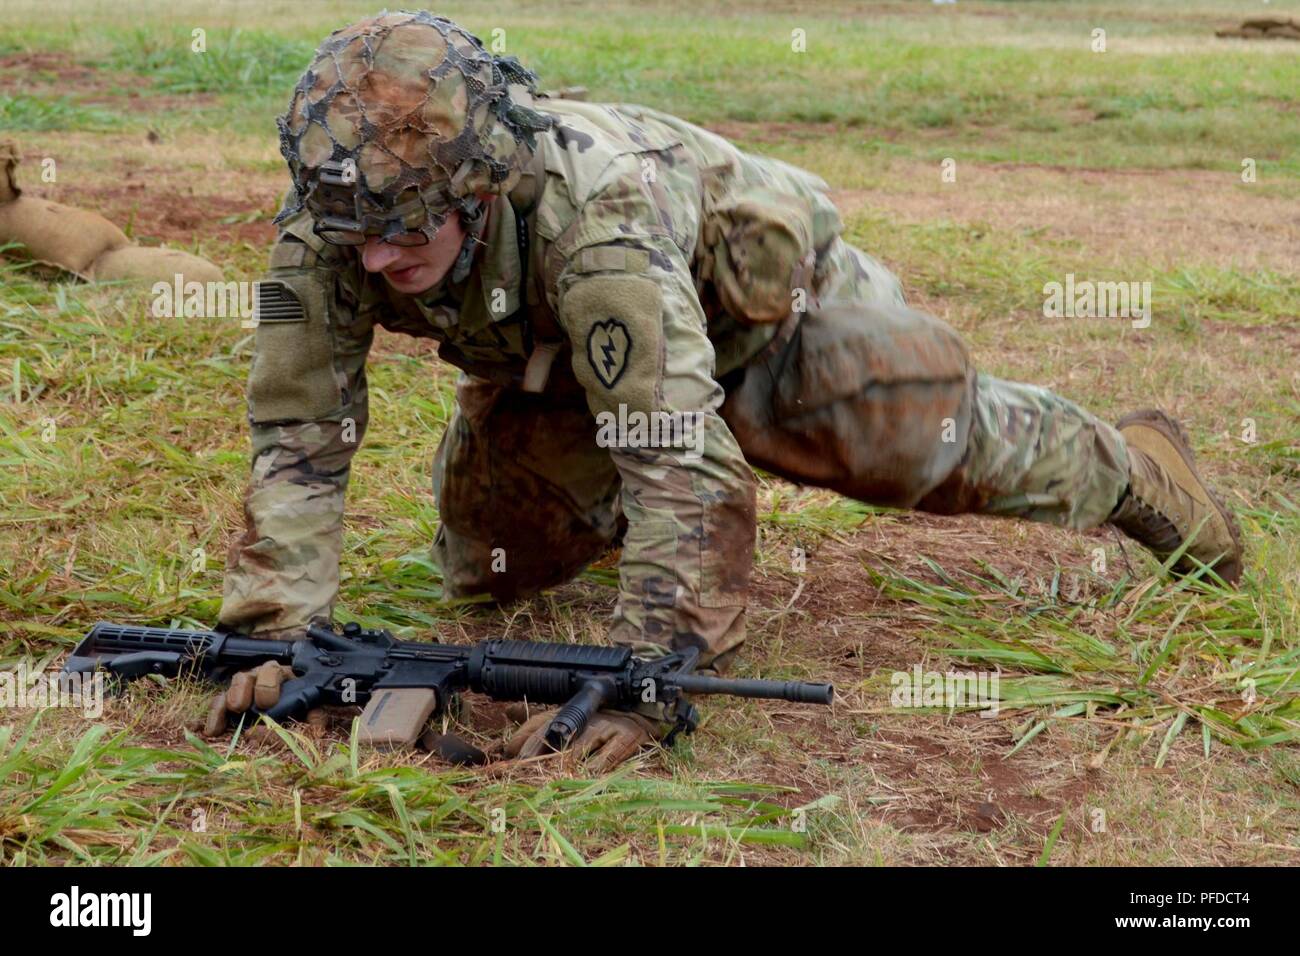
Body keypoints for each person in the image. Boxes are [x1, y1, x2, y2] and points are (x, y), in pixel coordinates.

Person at [209, 11, 1243, 768]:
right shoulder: (333, 223)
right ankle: (622, 506)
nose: (378, 259)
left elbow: (674, 447)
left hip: (759, 324)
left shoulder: (594, 213)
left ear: (477, 189)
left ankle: (1133, 465)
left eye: (407, 231)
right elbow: (301, 426)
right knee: (490, 559)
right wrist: (273, 631)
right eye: (358, 236)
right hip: (564, 357)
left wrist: (649, 675)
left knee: (899, 442)